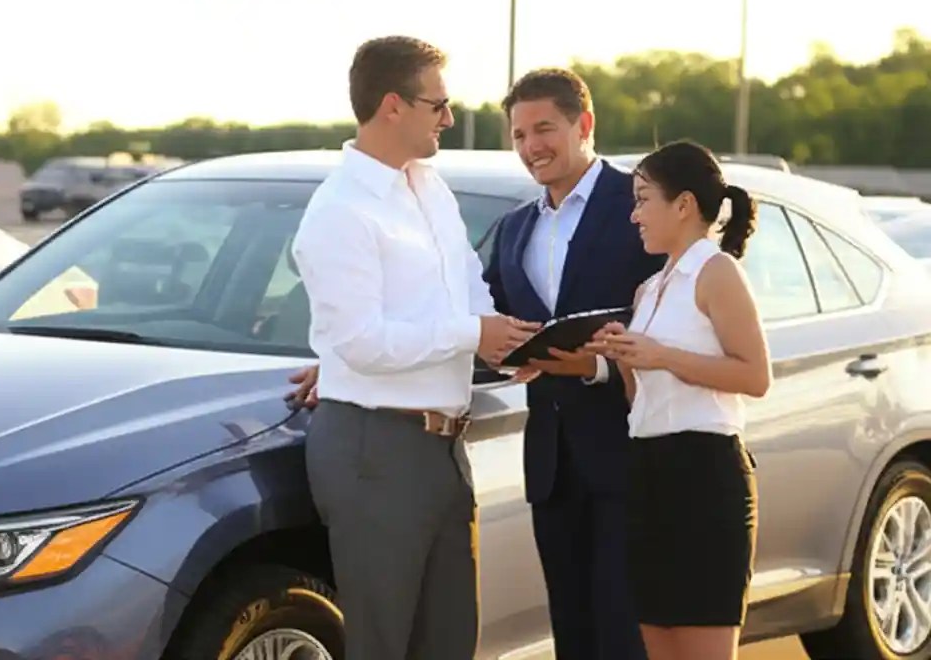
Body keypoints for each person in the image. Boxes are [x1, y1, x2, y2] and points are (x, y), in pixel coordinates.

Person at [289, 35, 539, 660]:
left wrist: (507, 341)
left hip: (444, 450)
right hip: (376, 453)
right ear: (393, 106)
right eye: (439, 105)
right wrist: (471, 334)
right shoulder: (339, 213)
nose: (450, 120)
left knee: (449, 643)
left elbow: (467, 289)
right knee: (383, 647)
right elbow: (361, 343)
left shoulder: (430, 188)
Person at [481, 68, 664, 660]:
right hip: (552, 469)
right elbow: (470, 317)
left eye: (544, 128)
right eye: (518, 135)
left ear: (584, 124)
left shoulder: (641, 202)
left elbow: (684, 315)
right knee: (575, 635)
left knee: (626, 635)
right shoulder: (513, 230)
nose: (532, 146)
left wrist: (599, 367)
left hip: (635, 458)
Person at [585, 140, 769, 660]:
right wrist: (624, 357)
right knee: (657, 646)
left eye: (643, 200)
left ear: (683, 204)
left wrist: (660, 355)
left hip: (704, 475)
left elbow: (755, 375)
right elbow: (639, 400)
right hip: (648, 471)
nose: (634, 215)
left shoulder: (718, 273)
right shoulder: (649, 289)